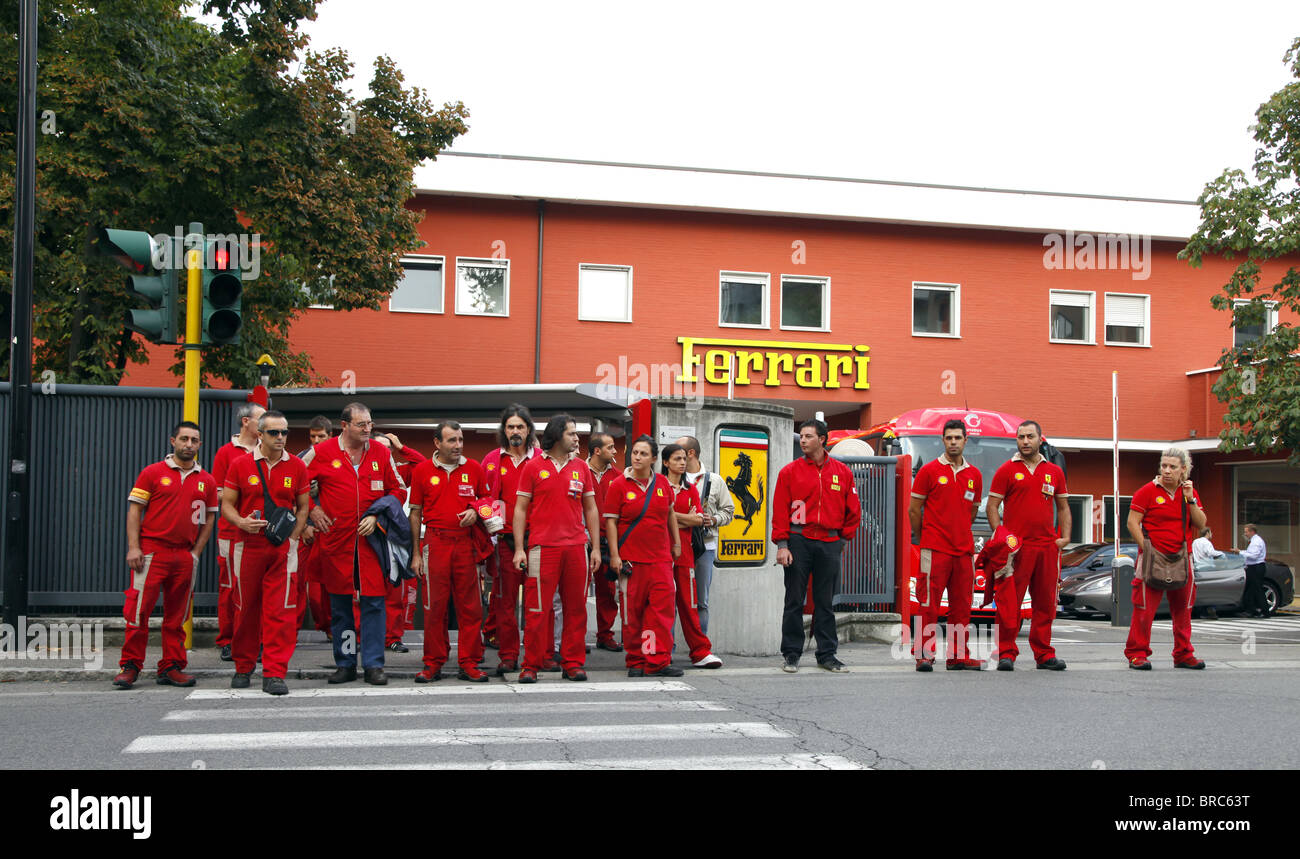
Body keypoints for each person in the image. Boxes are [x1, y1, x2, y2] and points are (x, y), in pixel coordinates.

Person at [302, 402, 407, 686]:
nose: (367, 430)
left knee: (374, 602)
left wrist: (377, 515)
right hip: (336, 542)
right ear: (344, 425)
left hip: (371, 543)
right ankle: (345, 663)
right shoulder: (322, 452)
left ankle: (374, 665)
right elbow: (296, 483)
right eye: (361, 425)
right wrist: (312, 509)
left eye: (370, 424)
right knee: (340, 606)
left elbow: (398, 490)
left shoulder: (381, 453)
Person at [113, 421, 218, 690]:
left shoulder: (206, 480)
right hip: (151, 553)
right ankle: (130, 666)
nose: (189, 444)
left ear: (200, 445)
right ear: (173, 441)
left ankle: (171, 667)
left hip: (184, 556)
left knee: (177, 617)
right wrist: (134, 547)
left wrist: (196, 553)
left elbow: (208, 520)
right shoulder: (152, 472)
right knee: (138, 613)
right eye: (184, 439)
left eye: (194, 440)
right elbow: (135, 510)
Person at [221, 410, 311, 695]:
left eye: (285, 432)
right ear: (260, 434)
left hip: (282, 548)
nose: (281, 438)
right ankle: (243, 666)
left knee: (280, 611)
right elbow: (227, 505)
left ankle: (274, 672)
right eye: (274, 433)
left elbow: (304, 505)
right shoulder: (240, 464)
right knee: (245, 608)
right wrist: (240, 522)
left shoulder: (296, 466)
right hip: (247, 546)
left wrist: (294, 537)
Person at [512, 414, 602, 683]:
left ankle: (572, 663)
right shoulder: (532, 467)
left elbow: (591, 509)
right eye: (572, 433)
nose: (577, 439)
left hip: (576, 548)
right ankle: (531, 664)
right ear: (556, 435)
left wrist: (595, 548)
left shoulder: (581, 468)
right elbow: (519, 509)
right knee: (537, 609)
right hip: (541, 548)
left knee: (576, 608)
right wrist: (519, 549)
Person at [772, 419, 861, 673]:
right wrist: (782, 544)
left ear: (822, 439)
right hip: (798, 541)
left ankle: (827, 654)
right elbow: (780, 510)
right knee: (794, 600)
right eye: (801, 436)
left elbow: (853, 510)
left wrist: (842, 539)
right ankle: (791, 653)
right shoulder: (789, 472)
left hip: (830, 542)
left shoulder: (842, 472)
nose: (802, 440)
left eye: (808, 436)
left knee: (825, 602)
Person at [408, 421, 491, 682]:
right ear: (437, 443)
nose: (458, 446)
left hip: (466, 544)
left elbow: (489, 503)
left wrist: (476, 510)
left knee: (471, 608)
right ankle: (433, 662)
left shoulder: (475, 469)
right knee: (434, 607)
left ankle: (469, 662)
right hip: (435, 543)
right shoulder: (422, 471)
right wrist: (416, 553)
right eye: (452, 440)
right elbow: (415, 513)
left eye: (460, 440)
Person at [987, 420, 1071, 671]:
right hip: (1016, 549)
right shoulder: (1006, 470)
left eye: (1030, 437)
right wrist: (1001, 535)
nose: (1025, 441)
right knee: (1009, 603)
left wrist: (1065, 538)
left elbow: (1064, 507)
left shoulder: (1054, 471)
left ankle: (1044, 654)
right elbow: (992, 506)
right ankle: (1006, 653)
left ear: (1039, 439)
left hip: (1046, 547)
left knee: (1045, 604)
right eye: (1021, 437)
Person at [907, 418, 983, 671]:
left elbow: (971, 513)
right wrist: (926, 535)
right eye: (949, 438)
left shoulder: (974, 475)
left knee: (962, 607)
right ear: (943, 440)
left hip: (963, 551)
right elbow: (914, 510)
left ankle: (958, 656)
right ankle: (924, 655)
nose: (953, 442)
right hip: (934, 549)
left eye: (957, 438)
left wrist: (959, 531)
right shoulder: (929, 471)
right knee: (928, 604)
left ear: (965, 440)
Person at [1124, 447, 1208, 669]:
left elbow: (1201, 524)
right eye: (1163, 466)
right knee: (1143, 608)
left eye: (1172, 467)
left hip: (1182, 558)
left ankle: (1183, 654)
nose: (1166, 471)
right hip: (1152, 559)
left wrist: (1190, 500)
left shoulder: (1190, 493)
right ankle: (1137, 653)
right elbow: (1132, 523)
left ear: (1183, 470)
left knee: (1183, 609)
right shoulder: (1146, 491)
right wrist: (1147, 549)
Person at [606, 435, 682, 677]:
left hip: (660, 560)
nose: (637, 457)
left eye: (643, 454)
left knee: (660, 613)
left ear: (654, 459)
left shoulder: (662, 483)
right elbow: (610, 522)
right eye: (635, 452)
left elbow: (670, 514)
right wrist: (615, 555)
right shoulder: (618, 485)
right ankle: (636, 660)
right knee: (631, 613)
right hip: (631, 561)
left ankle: (657, 661)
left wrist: (676, 543)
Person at [482, 404, 543, 676]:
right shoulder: (493, 460)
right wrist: (492, 531)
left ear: (528, 429)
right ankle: (508, 655)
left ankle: (535, 656)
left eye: (520, 426)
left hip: (539, 542)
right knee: (505, 602)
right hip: (504, 542)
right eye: (510, 427)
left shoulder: (542, 459)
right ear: (503, 430)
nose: (515, 431)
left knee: (536, 602)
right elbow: (483, 498)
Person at [210, 402, 264, 661]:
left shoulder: (271, 450)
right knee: (231, 588)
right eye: (261, 420)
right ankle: (228, 639)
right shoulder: (226, 453)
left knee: (260, 590)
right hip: (232, 533)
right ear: (246, 422)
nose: (268, 427)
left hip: (264, 535)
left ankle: (257, 639)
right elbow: (218, 493)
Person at [662, 444, 722, 668]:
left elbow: (699, 519)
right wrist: (683, 517)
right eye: (676, 459)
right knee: (663, 605)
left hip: (686, 554)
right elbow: (655, 514)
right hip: (661, 554)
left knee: (690, 605)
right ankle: (663, 650)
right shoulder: (658, 487)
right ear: (666, 462)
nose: (682, 462)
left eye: (683, 459)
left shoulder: (690, 490)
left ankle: (700, 652)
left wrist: (671, 515)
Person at [373, 431, 428, 653]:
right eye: (381, 448)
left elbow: (422, 465)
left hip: (393, 540)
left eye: (389, 448)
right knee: (363, 592)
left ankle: (392, 638)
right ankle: (361, 637)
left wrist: (400, 446)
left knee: (395, 591)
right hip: (365, 537)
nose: (386, 452)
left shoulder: (398, 471)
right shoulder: (360, 469)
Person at [675, 435, 735, 636]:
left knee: (701, 600)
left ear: (690, 453)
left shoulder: (715, 480)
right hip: (675, 545)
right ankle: (668, 650)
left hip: (704, 546)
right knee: (669, 598)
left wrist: (715, 519)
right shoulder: (669, 478)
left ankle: (701, 647)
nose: (677, 456)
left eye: (680, 451)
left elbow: (729, 510)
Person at [296, 415, 334, 638]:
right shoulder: (301, 460)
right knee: (301, 585)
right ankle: (292, 632)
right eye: (313, 436)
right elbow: (290, 497)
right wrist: (303, 527)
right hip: (307, 531)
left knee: (333, 586)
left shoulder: (341, 458)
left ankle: (332, 629)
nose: (316, 440)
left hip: (332, 531)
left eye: (321, 436)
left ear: (331, 436)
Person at [588, 432, 623, 652]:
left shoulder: (618, 477)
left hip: (607, 541)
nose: (615, 451)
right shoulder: (579, 472)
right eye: (611, 447)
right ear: (597, 450)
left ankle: (605, 635)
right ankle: (571, 639)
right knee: (575, 594)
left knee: (607, 591)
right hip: (581, 541)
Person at [1240, 523, 1269, 618]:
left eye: (1246, 532)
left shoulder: (1256, 542)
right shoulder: (1254, 541)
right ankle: (1250, 610)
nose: (1245, 534)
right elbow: (1251, 553)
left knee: (1257, 589)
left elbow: (1253, 555)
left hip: (1256, 567)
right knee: (1250, 589)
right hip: (1253, 567)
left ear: (1252, 531)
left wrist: (1240, 552)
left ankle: (1264, 611)